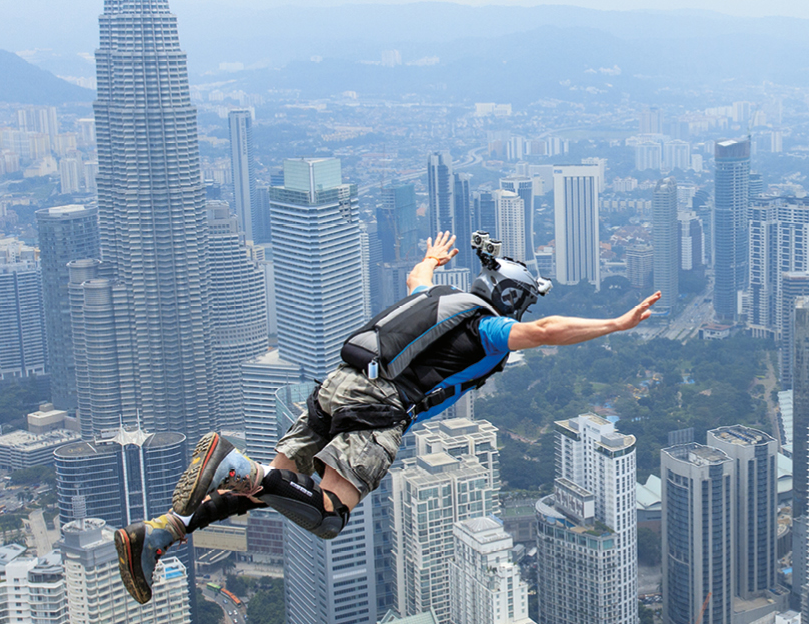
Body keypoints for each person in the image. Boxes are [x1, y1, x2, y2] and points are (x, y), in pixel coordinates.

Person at [116, 230, 660, 604]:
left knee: (278, 488)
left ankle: (162, 532)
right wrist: (615, 323)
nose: (525, 316)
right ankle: (234, 465)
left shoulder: (437, 298)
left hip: (334, 386)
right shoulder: (487, 330)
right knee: (328, 516)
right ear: (511, 301)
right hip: (378, 411)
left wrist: (432, 258)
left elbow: (414, 277)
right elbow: (545, 333)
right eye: (523, 305)